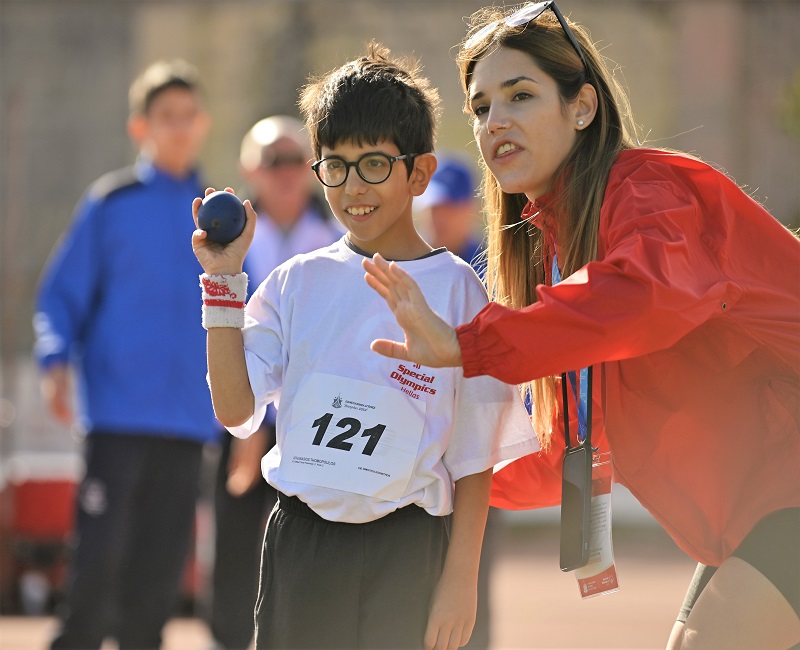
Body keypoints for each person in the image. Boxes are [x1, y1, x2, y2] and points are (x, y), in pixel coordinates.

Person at [362, 4, 800, 649]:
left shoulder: (652, 194)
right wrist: (421, 476)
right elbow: (569, 452)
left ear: (583, 107)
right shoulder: (556, 252)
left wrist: (468, 346)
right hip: (761, 506)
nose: (496, 121)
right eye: (480, 108)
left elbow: (643, 296)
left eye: (520, 95)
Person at [191, 42, 538, 650]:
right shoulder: (296, 282)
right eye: (335, 165)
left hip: (409, 549)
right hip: (303, 544)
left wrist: (461, 580)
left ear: (419, 172)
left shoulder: (458, 290)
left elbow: (473, 454)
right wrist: (221, 286)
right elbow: (236, 410)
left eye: (374, 164)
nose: (353, 187)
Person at [33, 59, 216, 650]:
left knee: (157, 586)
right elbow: (61, 296)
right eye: (167, 117)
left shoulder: (221, 216)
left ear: (203, 123)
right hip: (116, 417)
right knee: (98, 570)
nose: (180, 128)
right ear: (141, 126)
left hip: (191, 423)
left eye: (188, 116)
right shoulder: (109, 203)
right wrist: (54, 360)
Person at [209, 114, 341, 650]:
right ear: (249, 169)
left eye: (295, 160)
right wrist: (250, 428)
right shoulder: (220, 243)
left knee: (312, 552)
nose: (285, 172)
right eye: (272, 161)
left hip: (318, 426)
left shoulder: (341, 238)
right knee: (238, 549)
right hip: (235, 420)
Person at [416, 155, 485, 277]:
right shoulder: (402, 263)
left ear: (470, 209)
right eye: (434, 207)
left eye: (450, 207)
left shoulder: (491, 270)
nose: (440, 218)